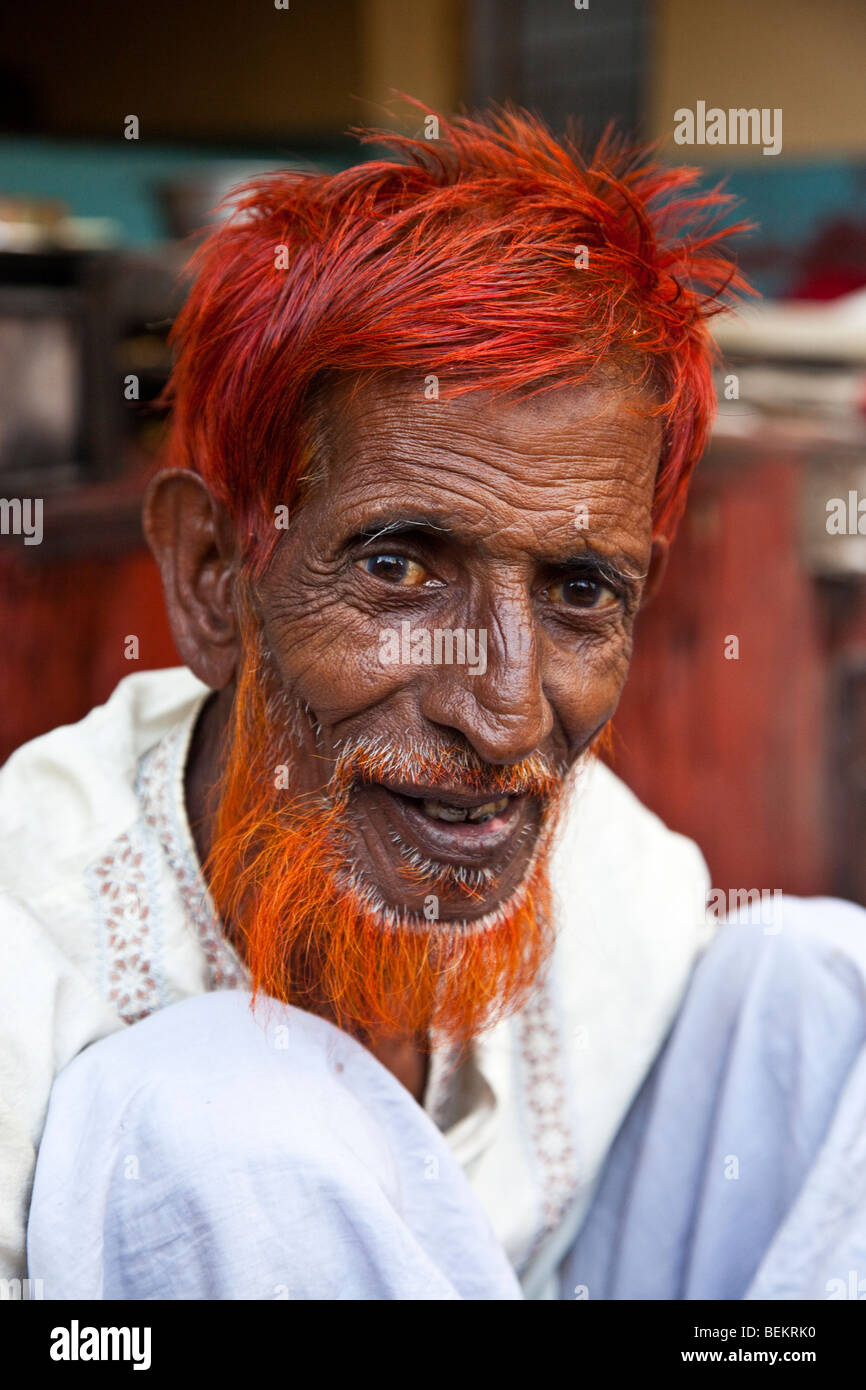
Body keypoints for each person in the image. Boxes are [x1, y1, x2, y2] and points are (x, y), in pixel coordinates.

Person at [2, 104, 749, 1295]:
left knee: (813, 982)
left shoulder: (626, 887)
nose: (504, 716)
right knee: (215, 1115)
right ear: (209, 576)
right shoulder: (22, 955)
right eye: (397, 567)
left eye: (575, 588)